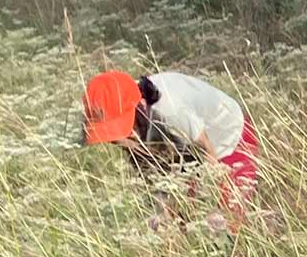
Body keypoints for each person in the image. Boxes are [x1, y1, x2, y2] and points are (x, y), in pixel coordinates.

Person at [83, 69, 261, 234]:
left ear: (138, 106)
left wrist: (212, 199)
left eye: (120, 131)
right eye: (112, 137)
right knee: (182, 225)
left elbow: (209, 157)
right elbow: (157, 173)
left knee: (224, 224)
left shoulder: (170, 110)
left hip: (230, 139)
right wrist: (164, 212)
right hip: (189, 155)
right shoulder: (133, 111)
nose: (120, 141)